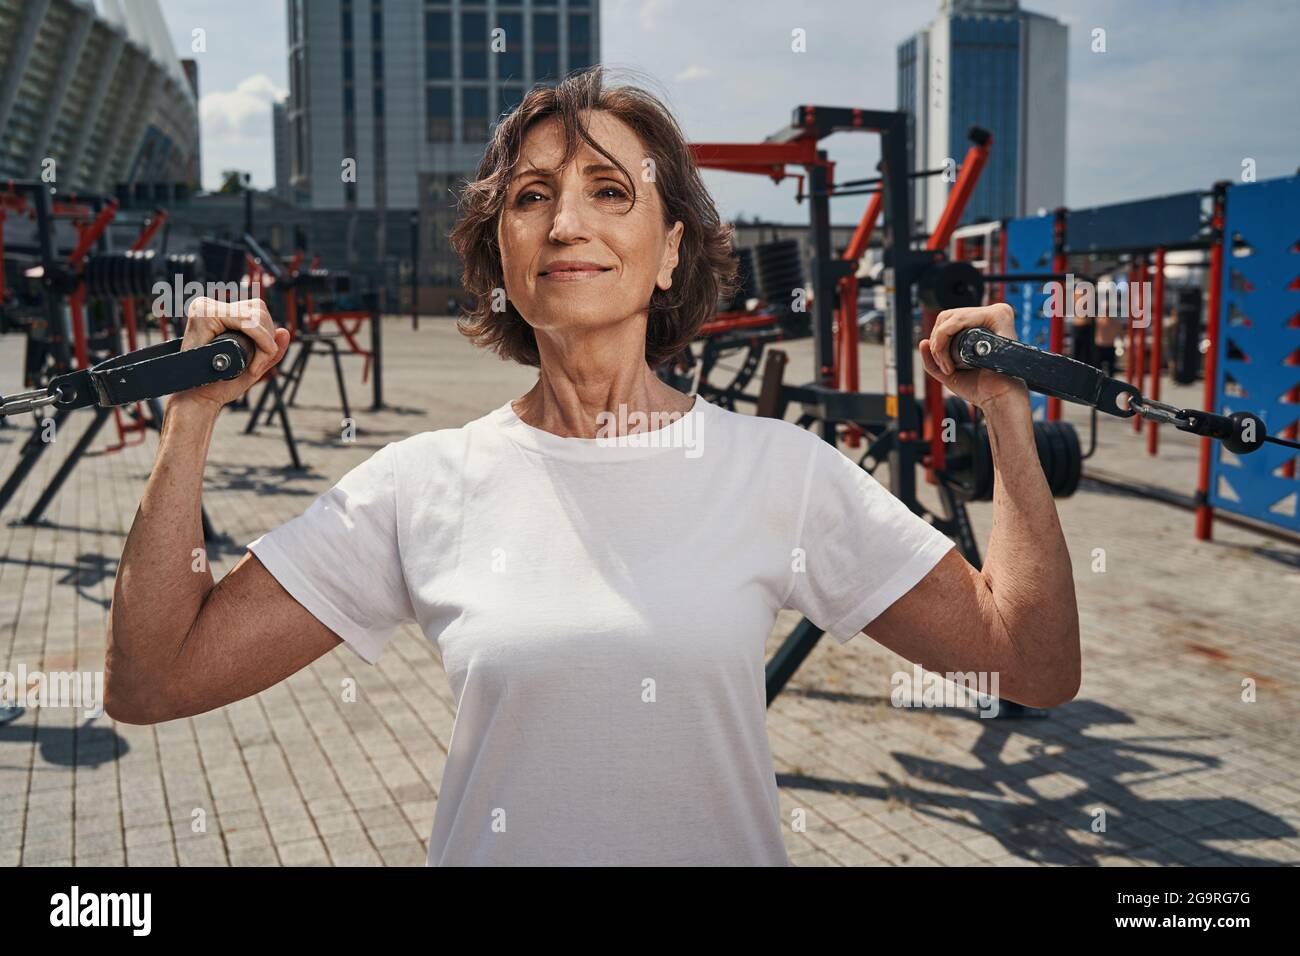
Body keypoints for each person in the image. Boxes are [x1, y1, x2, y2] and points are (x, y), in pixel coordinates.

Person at [104, 67, 1080, 866]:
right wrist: (188, 419)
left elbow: (1029, 660)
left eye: (609, 191)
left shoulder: (780, 472)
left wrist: (1002, 413)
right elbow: (153, 679)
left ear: (669, 252)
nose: (567, 222)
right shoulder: (417, 484)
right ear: (501, 252)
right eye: (532, 197)